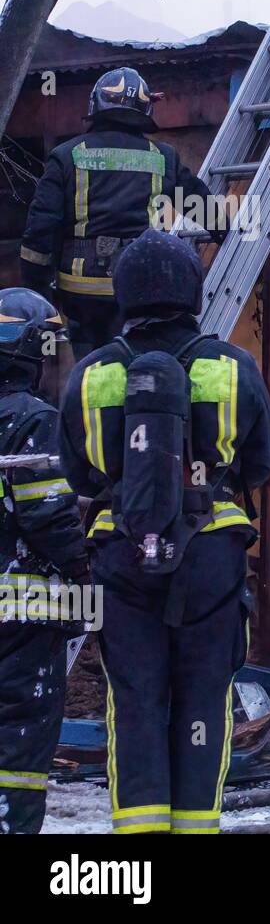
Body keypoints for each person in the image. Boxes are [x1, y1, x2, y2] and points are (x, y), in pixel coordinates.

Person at [58, 229, 270, 834]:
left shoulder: (91, 374)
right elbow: (259, 465)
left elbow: (76, 472)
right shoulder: (233, 368)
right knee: (205, 701)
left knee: (135, 704)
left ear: (125, 293)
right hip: (211, 557)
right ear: (193, 291)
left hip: (123, 560)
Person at [21, 67, 212, 359]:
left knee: (91, 368)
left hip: (80, 294)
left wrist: (39, 294)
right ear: (145, 109)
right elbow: (200, 204)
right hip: (140, 289)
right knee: (137, 361)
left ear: (96, 105)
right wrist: (229, 229)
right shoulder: (162, 157)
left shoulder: (66, 155)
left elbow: (40, 230)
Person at [0, 288, 88, 834]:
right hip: (22, 618)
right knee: (20, 739)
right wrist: (86, 575)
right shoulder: (34, 420)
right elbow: (49, 517)